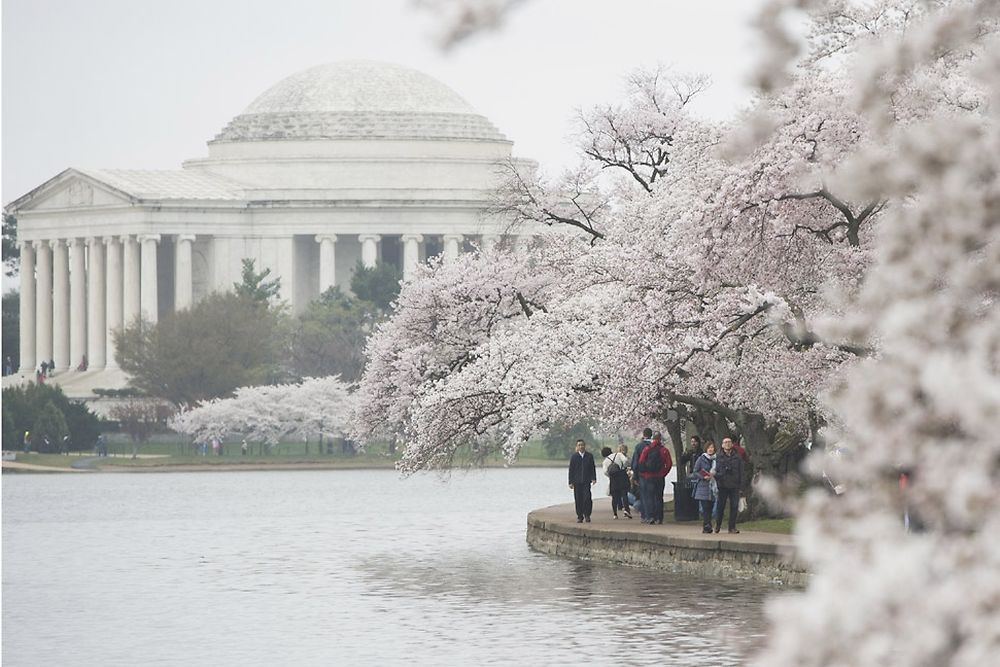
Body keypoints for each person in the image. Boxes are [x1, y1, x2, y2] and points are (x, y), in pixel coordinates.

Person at [638, 431, 673, 524]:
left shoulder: (646, 449)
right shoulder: (664, 450)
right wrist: (663, 473)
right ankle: (659, 518)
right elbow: (669, 464)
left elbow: (641, 462)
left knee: (650, 497)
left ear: (652, 439)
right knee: (659, 497)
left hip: (649, 477)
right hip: (659, 477)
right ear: (660, 439)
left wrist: (645, 473)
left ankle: (651, 517)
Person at [714, 437, 745, 534]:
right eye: (725, 442)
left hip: (734, 485)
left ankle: (732, 527)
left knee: (734, 506)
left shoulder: (737, 457)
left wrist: (741, 486)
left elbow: (741, 471)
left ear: (732, 444)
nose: (727, 444)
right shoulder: (718, 456)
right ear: (722, 445)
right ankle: (718, 524)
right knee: (720, 506)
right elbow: (715, 471)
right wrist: (718, 479)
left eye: (729, 442)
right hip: (722, 485)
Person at [568, 439, 597, 523]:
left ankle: (587, 515)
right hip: (577, 481)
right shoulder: (574, 457)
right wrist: (570, 482)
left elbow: (592, 467)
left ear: (585, 446)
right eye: (579, 445)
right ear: (577, 446)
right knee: (578, 499)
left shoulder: (589, 456)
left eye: (582, 445)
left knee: (587, 498)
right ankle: (580, 516)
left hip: (586, 480)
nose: (581, 446)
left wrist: (594, 478)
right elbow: (571, 470)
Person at [692, 441, 718, 533]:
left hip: (713, 486)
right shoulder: (701, 459)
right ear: (706, 449)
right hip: (703, 486)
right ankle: (707, 525)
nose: (711, 449)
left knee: (711, 507)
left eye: (712, 447)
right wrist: (703, 477)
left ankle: (707, 524)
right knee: (705, 507)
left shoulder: (716, 459)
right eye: (709, 447)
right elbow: (695, 471)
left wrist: (715, 475)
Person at [601, 446, 631, 519]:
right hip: (622, 476)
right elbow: (625, 460)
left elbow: (605, 472)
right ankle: (626, 510)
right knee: (624, 494)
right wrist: (624, 468)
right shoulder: (618, 454)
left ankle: (615, 514)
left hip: (613, 479)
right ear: (611, 451)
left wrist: (610, 475)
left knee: (614, 497)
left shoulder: (605, 461)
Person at [630, 428, 653, 521]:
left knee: (644, 495)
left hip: (642, 475)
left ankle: (645, 516)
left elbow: (635, 463)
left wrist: (635, 477)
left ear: (643, 434)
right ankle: (655, 516)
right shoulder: (657, 446)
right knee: (654, 495)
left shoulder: (639, 446)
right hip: (655, 475)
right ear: (651, 435)